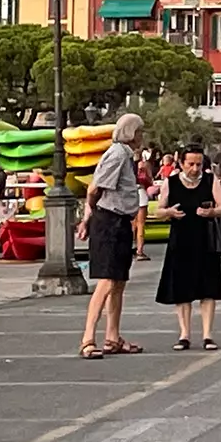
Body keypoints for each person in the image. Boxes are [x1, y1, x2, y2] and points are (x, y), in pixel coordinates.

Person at [77, 113, 147, 360]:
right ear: (130, 133)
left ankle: (112, 337)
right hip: (109, 220)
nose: (141, 136)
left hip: (120, 221)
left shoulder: (127, 156)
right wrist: (90, 216)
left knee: (118, 281)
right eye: (139, 132)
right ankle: (88, 338)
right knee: (106, 281)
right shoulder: (117, 155)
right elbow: (95, 188)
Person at [156, 145, 221, 350]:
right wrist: (169, 211)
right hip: (180, 240)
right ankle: (184, 334)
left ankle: (207, 334)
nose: (195, 168)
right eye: (191, 164)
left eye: (199, 164)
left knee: (208, 288)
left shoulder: (210, 180)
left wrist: (212, 212)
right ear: (181, 164)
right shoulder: (170, 183)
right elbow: (159, 210)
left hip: (206, 240)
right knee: (182, 289)